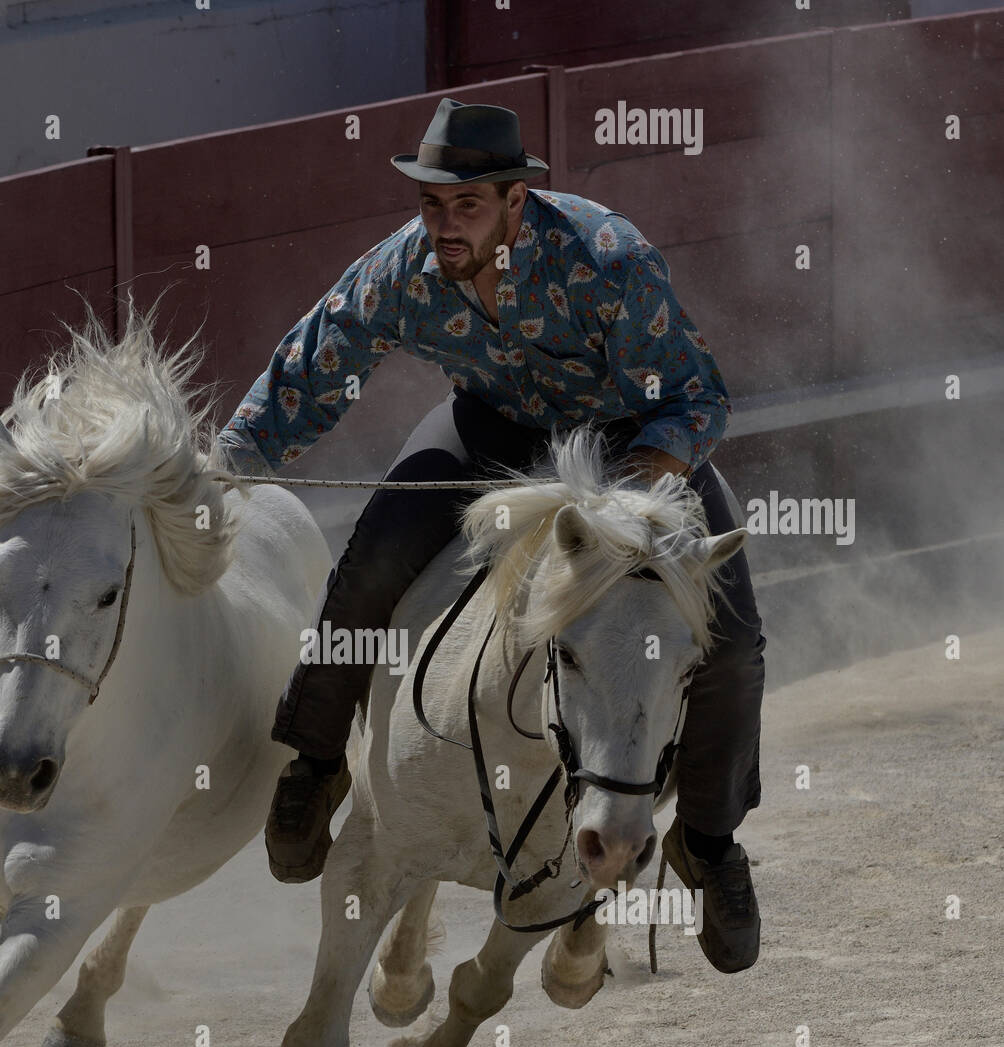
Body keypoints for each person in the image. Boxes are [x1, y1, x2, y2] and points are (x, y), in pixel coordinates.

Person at [218, 98, 765, 973]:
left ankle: (708, 840)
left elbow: (697, 399)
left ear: (516, 201)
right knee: (371, 565)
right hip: (493, 431)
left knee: (732, 641)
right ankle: (317, 765)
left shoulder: (604, 259)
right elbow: (321, 356)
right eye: (431, 204)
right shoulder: (406, 266)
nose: (443, 223)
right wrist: (234, 457)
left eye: (465, 204)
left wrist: (628, 498)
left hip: (630, 454)